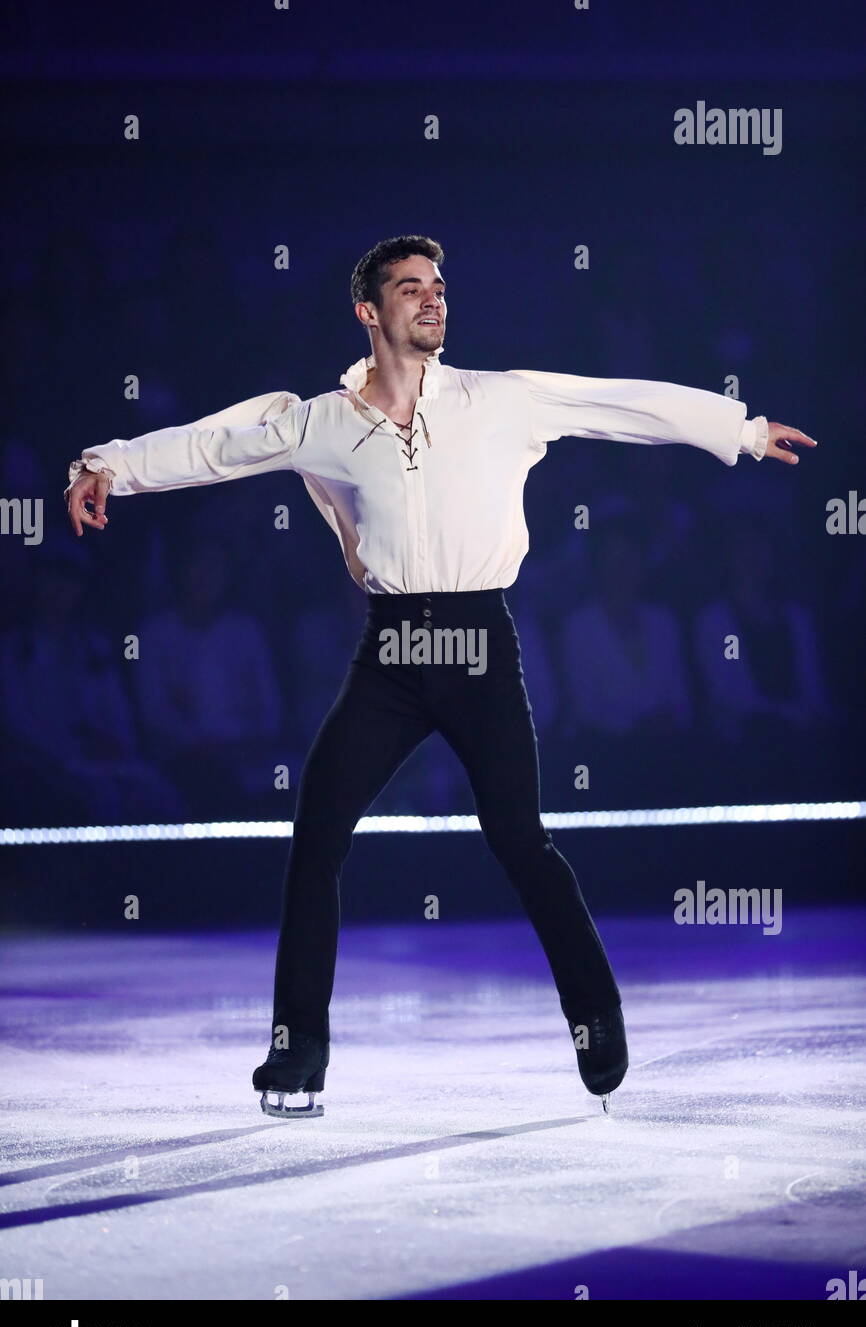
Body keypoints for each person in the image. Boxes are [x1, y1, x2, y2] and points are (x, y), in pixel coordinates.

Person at [65, 234, 816, 1119]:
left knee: (519, 840)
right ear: (369, 311)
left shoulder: (501, 400)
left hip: (476, 641)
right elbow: (215, 445)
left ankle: (596, 1016)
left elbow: (619, 404)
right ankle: (298, 1048)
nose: (432, 299)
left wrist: (740, 430)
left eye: (438, 286)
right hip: (391, 652)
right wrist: (108, 462)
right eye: (410, 287)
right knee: (318, 835)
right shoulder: (322, 422)